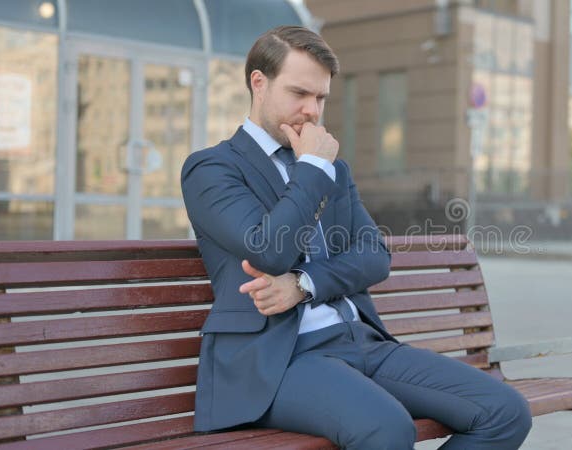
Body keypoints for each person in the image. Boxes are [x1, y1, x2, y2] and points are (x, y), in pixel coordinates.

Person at [180, 25, 532, 449]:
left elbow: (374, 256)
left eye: (321, 98)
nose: (312, 110)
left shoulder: (333, 169)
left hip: (360, 340)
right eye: (299, 94)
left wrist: (304, 284)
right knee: (387, 427)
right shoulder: (213, 169)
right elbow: (269, 250)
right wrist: (311, 168)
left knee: (505, 412)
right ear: (259, 82)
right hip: (276, 362)